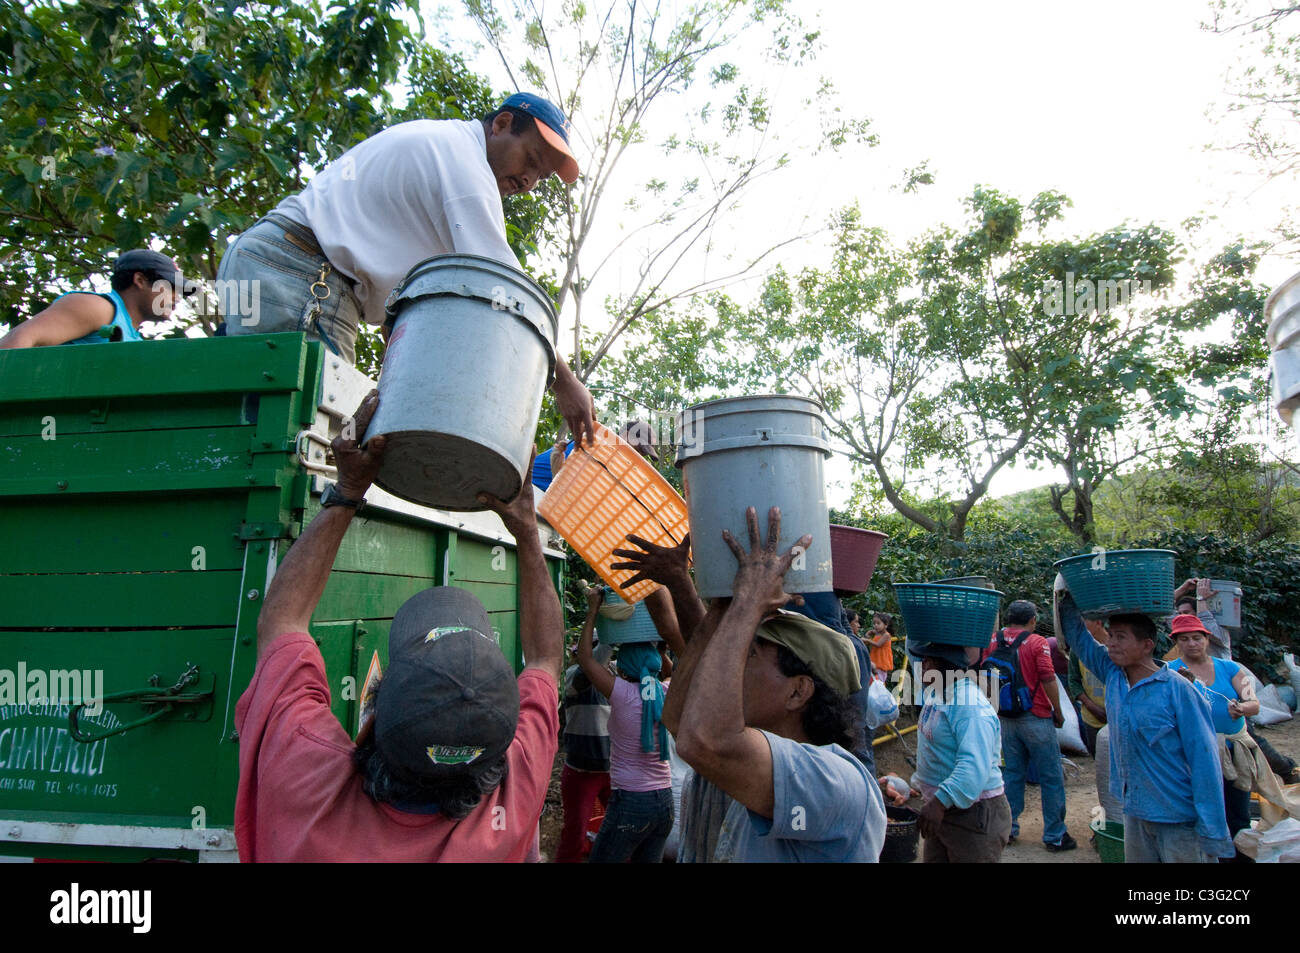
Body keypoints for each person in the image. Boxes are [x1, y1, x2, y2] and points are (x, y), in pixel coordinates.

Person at [233, 394, 564, 861]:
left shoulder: (305, 777)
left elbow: (283, 620)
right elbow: (548, 659)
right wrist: (529, 532)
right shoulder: (508, 809)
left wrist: (347, 491)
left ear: (371, 718)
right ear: (497, 759)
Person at [216, 92, 595, 444]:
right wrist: (564, 381)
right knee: (310, 447)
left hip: (275, 260)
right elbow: (506, 289)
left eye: (539, 177)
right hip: (302, 277)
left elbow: (403, 293)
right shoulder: (466, 167)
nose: (528, 180)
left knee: (246, 432)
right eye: (530, 159)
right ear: (501, 124)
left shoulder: (444, 149)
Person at [647, 506, 886, 862]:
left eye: (750, 656)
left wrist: (748, 601)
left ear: (797, 691)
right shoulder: (751, 759)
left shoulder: (835, 780)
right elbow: (682, 719)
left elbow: (704, 741)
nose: (730, 669)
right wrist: (721, 605)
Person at [1056, 579, 1234, 863]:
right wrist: (1068, 594)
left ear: (1147, 645)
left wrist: (1213, 831)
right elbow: (1078, 637)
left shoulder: (1179, 690)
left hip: (1179, 818)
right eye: (1110, 635)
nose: (1111, 643)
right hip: (1135, 811)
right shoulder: (1114, 676)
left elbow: (1205, 760)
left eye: (1121, 637)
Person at [576, 587, 674, 863]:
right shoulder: (667, 692)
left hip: (631, 801)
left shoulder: (621, 693)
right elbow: (669, 671)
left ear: (621, 670)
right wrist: (663, 645)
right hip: (664, 803)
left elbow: (584, 658)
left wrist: (593, 609)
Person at [905, 639, 1011, 862]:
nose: (921, 665)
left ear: (940, 665)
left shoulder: (969, 703)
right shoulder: (938, 694)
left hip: (972, 814)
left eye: (927, 661)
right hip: (944, 810)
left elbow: (974, 766)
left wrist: (939, 801)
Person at [982, 600, 1075, 852]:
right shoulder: (1037, 642)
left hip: (1005, 718)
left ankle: (1008, 829)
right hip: (1036, 717)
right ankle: (1055, 835)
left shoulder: (993, 640)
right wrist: (1057, 710)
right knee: (1051, 776)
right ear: (1033, 620)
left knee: (1012, 774)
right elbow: (1047, 677)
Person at [1167, 614, 1260, 856]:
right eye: (1184, 639)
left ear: (1207, 639)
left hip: (1233, 750)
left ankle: (1239, 857)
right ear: (1177, 642)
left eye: (1197, 638)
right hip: (1193, 753)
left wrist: (1241, 708)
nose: (1192, 643)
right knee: (1203, 810)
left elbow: (1253, 702)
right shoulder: (1170, 672)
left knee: (1238, 810)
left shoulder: (1230, 668)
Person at [0, 249, 195, 348]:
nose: (177, 297)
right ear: (140, 280)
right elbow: (19, 338)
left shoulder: (133, 337)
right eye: (171, 287)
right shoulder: (100, 308)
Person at [555, 631, 613, 864]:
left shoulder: (616, 675)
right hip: (581, 772)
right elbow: (592, 666)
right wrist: (610, 636)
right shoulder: (572, 677)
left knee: (623, 830)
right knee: (574, 836)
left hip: (613, 771)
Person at [1173, 578, 1231, 659]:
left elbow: (1205, 622)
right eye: (1179, 613)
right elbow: (1162, 607)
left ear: (1197, 613)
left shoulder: (1219, 631)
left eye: (1186, 612)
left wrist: (1201, 598)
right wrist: (1183, 588)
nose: (1182, 616)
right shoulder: (1180, 628)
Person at [867, 612, 896, 683]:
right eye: (874, 623)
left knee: (879, 683)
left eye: (878, 623)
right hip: (875, 661)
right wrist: (868, 635)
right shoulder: (877, 633)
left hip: (881, 662)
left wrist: (867, 640)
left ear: (886, 625)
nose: (875, 625)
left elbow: (878, 644)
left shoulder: (886, 635)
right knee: (873, 682)